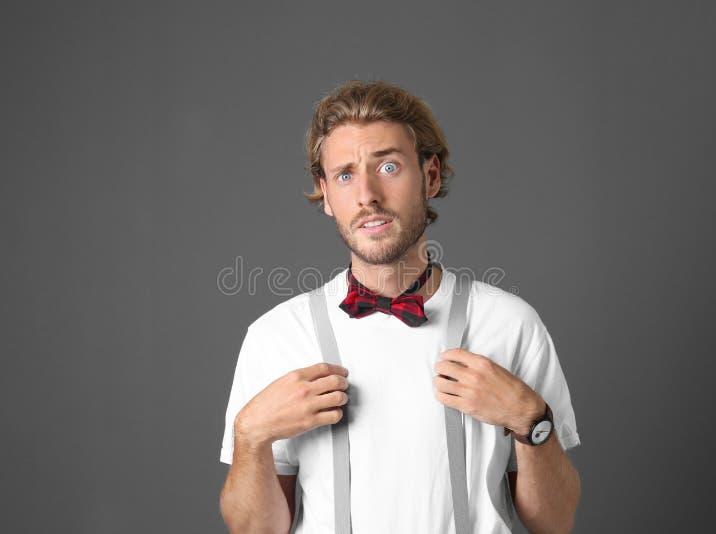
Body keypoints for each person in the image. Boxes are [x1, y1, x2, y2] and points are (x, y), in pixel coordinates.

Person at [219, 80, 581, 533]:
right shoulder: (277, 338)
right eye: (345, 175)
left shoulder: (509, 324)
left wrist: (532, 421)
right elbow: (255, 531)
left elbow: (555, 522)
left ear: (430, 176)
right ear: (326, 194)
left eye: (387, 166)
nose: (367, 194)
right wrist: (249, 438)